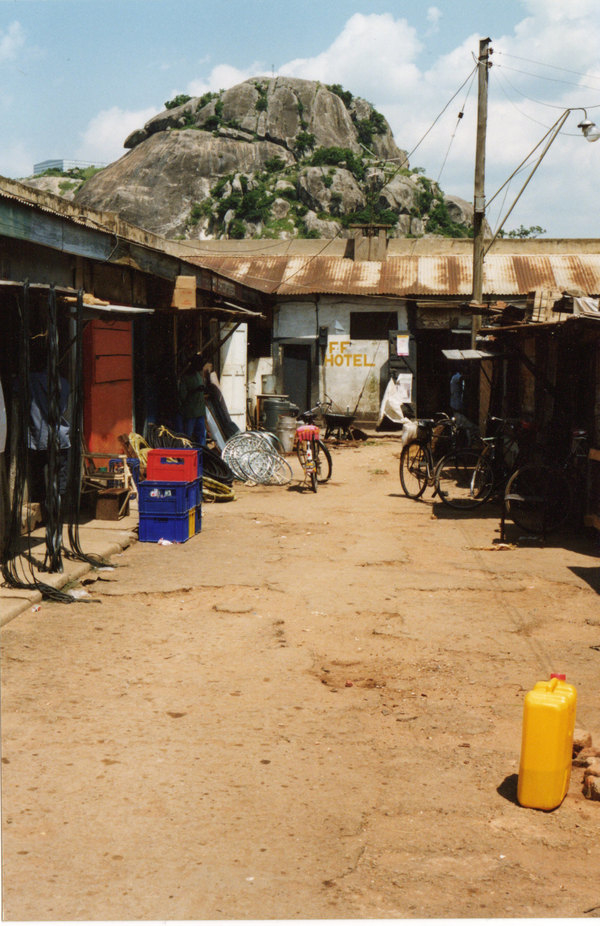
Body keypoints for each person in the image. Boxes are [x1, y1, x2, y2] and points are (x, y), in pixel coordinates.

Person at [27, 359, 71, 519]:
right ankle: (58, 515)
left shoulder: (30, 380)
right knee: (60, 478)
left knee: (39, 478)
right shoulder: (64, 383)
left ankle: (42, 516)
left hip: (39, 438)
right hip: (60, 437)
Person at [178, 355, 206, 446]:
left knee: (201, 436)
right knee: (187, 437)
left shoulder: (198, 374)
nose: (201, 367)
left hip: (200, 412)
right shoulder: (185, 377)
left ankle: (202, 455)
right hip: (190, 413)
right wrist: (195, 390)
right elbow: (182, 396)